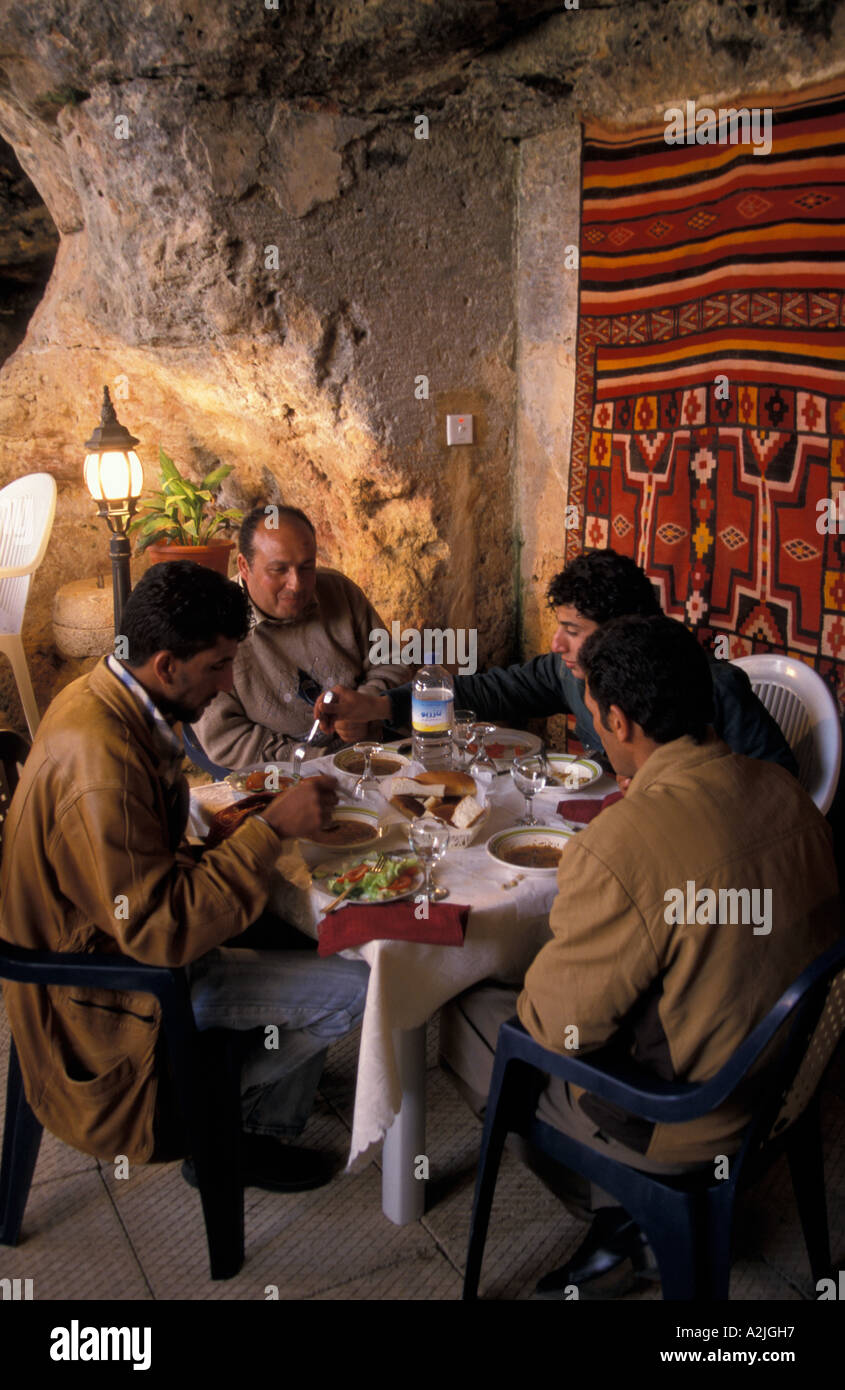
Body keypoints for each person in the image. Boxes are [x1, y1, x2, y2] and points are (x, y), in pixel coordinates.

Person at [438, 615, 839, 1296]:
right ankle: (634, 1223)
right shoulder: (786, 793)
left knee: (471, 1017)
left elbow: (557, 1029)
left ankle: (633, 1215)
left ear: (617, 723)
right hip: (791, 1078)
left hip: (690, 1116)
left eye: (591, 711)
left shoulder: (623, 842)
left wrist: (533, 965)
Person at [0, 561, 370, 1192]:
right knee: (358, 985)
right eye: (217, 667)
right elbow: (160, 931)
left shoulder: (103, 693)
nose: (228, 685)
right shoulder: (103, 762)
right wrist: (271, 829)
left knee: (310, 928)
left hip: (112, 949)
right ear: (167, 664)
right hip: (115, 998)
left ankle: (256, 1111)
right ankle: (222, 1119)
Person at [315, 549, 797, 774]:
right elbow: (487, 691)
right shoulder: (568, 675)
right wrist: (377, 707)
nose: (556, 643)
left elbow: (781, 788)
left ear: (618, 634)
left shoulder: (712, 688)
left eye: (572, 631)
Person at [193, 504, 407, 770]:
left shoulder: (339, 591)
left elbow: (392, 661)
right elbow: (226, 739)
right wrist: (313, 762)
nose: (296, 584)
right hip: (280, 777)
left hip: (369, 755)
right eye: (278, 570)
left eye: (306, 567)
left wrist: (366, 706)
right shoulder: (208, 627)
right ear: (244, 567)